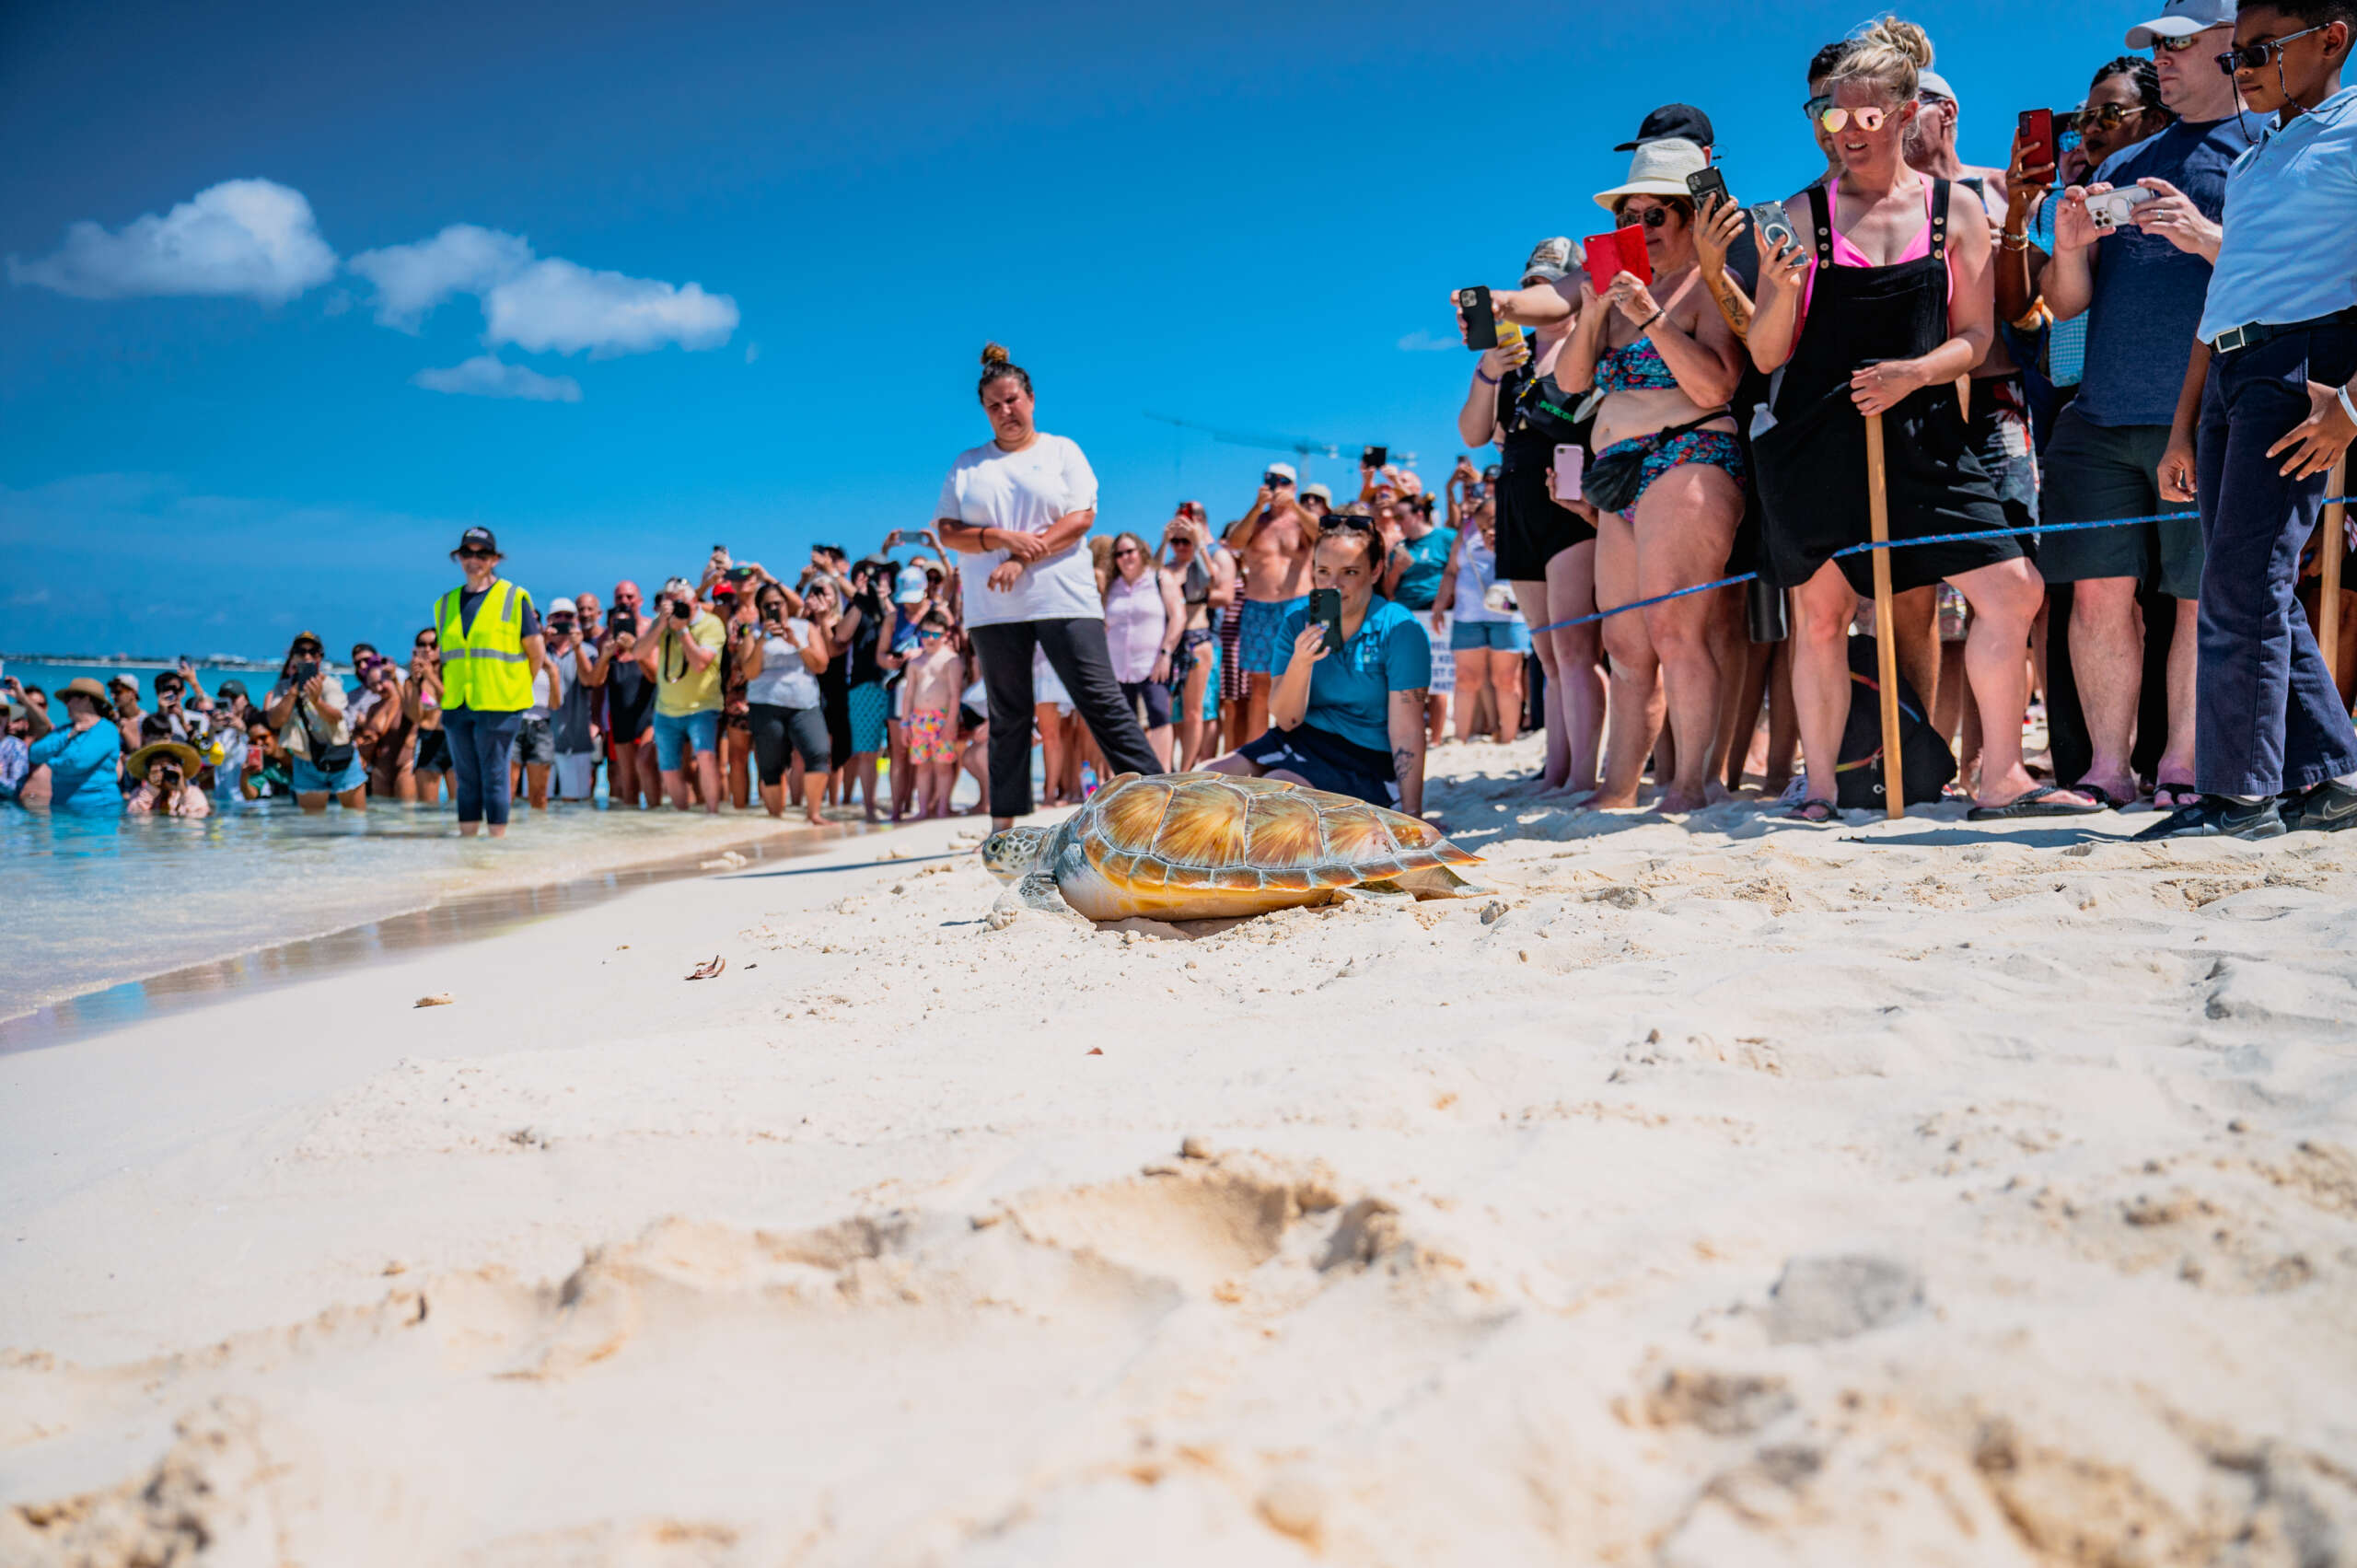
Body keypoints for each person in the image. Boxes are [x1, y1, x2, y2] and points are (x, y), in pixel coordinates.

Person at [1750, 17, 2102, 822]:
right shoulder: (1797, 215)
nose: (1845, 135)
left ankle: (2004, 774)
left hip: (1927, 432)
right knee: (1822, 613)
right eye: (1831, 117)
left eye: (1866, 117)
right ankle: (1820, 789)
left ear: (1908, 115)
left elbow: (1979, 338)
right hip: (1819, 441)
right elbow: (1772, 355)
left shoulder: (1959, 211)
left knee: (2013, 591)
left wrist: (1914, 373)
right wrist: (1774, 288)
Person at [2015, 15, 2247, 812]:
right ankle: (2107, 771)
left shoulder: (2267, 149)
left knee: (2195, 597)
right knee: (2096, 595)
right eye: (2156, 48)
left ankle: (2183, 765)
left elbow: (2293, 274)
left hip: (2207, 413)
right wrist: (2071, 249)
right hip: (2100, 414)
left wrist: (2207, 236)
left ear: (2229, 43)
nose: (2162, 61)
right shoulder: (2127, 161)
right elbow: (2066, 305)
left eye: (2176, 45)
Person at [2142, 0, 2357, 837]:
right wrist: (2181, 424)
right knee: (2255, 581)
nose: (2245, 69)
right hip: (2233, 370)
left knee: (2240, 582)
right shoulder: (2261, 153)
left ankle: (2237, 798)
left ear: (2333, 37)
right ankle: (2330, 775)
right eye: (2236, 58)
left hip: (2303, 368)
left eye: (2260, 50)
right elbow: (2224, 296)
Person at [1555, 145, 1752, 812]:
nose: (1643, 227)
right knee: (1625, 643)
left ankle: (1691, 785)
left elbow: (1716, 383)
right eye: (1630, 216)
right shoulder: (1614, 297)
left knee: (1675, 630)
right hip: (1622, 474)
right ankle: (1619, 787)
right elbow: (1571, 383)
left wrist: (1648, 316)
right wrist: (1590, 312)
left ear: (1690, 216)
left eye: (1657, 213)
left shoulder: (1708, 284)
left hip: (1689, 454)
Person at [936, 343, 1163, 829]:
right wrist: (995, 537)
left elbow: (1081, 518)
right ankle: (1005, 826)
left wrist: (1018, 557)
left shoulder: (1062, 450)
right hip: (992, 608)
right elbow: (947, 531)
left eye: (1012, 399)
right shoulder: (968, 464)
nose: (1005, 411)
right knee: (1009, 714)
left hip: (1063, 596)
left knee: (1099, 700)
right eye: (994, 406)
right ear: (984, 411)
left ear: (1031, 397)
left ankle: (1163, 804)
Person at [1462, 238, 1607, 796]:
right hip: (1517, 501)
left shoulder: (1591, 343)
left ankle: (1581, 773)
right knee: (1548, 653)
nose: (1534, 294)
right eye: (1528, 285)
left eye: (1547, 284)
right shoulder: (1511, 356)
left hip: (1570, 501)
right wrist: (1486, 374)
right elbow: (1475, 434)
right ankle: (1557, 769)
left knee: (1575, 648)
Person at [1207, 518, 1434, 811]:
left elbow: (1408, 731)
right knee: (1202, 780)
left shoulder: (1400, 628)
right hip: (1300, 738)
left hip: (1365, 758)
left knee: (1276, 791)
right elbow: (1287, 719)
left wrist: (1414, 813)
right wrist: (1301, 663)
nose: (1333, 585)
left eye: (1349, 572)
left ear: (1376, 570)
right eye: (1323, 571)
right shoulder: (1296, 622)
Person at [433, 527, 551, 837]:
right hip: (458, 703)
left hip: (501, 704)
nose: (474, 560)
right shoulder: (444, 604)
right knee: (465, 778)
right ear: (458, 557)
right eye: (467, 553)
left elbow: (536, 652)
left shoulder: (513, 597)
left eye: (481, 554)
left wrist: (515, 687)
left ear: (495, 559)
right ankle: (468, 847)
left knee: (495, 777)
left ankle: (497, 849)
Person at [1225, 461, 1318, 744]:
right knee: (1260, 685)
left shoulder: (1301, 522)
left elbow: (1323, 536)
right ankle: (1259, 753)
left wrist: (1296, 507)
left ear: (1293, 486)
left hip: (1298, 605)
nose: (1276, 486)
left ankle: (1296, 748)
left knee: (1300, 680)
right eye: (1271, 480)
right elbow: (1235, 543)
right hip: (1258, 608)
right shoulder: (1257, 522)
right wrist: (1256, 508)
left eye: (1283, 481)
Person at [1434, 491, 1529, 744]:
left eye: (1494, 521)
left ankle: (1509, 739)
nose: (1488, 527)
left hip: (1509, 614)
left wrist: (1504, 546)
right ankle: (1460, 739)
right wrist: (1439, 605)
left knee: (1507, 679)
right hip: (1468, 614)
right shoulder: (1465, 533)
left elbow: (1532, 568)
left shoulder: (1519, 530)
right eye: (1483, 522)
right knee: (1466, 678)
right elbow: (1452, 571)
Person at [742, 580, 831, 825]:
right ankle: (776, 820)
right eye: (767, 605)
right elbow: (749, 672)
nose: (774, 608)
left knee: (819, 753)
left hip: (804, 704)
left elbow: (821, 665)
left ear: (786, 604)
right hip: (765, 703)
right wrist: (761, 640)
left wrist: (797, 643)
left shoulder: (804, 628)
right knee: (771, 765)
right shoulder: (752, 634)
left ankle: (813, 814)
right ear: (760, 609)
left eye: (778, 603)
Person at [641, 575, 726, 814]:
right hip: (666, 709)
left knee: (706, 758)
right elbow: (639, 652)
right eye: (671, 602)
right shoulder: (661, 624)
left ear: (694, 601)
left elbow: (700, 663)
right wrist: (660, 624)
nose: (677, 608)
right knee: (667, 767)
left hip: (703, 706)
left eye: (680, 603)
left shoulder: (711, 624)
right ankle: (682, 818)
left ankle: (712, 814)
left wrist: (682, 631)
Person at [1381, 489, 1458, 744]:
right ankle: (1412, 735)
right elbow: (1388, 590)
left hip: (1438, 613)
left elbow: (1457, 572)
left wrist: (1446, 602)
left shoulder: (1446, 538)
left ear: (1419, 514)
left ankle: (1435, 738)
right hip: (1406, 614)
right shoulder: (1399, 549)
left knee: (1438, 678)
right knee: (1409, 677)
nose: (1397, 523)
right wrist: (1397, 570)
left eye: (1401, 516)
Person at [1104, 529, 1186, 768]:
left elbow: (1178, 617)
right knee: (1124, 723)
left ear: (1140, 552)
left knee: (1160, 717)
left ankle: (1161, 775)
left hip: (1153, 664)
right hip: (1118, 668)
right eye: (1119, 554)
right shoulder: (1111, 587)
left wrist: (1166, 653)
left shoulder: (1160, 578)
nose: (1125, 558)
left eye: (1130, 551)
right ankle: (1131, 776)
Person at [1160, 504, 1234, 769]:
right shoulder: (1170, 566)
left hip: (1202, 638)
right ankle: (1178, 767)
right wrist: (1165, 540)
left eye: (1185, 539)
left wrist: (1198, 542)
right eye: (1177, 540)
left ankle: (1195, 768)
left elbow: (1221, 589)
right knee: (1175, 713)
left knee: (1201, 711)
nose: (1181, 544)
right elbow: (1153, 576)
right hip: (1173, 642)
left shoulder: (1214, 556)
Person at [263, 630, 367, 812]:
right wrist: (295, 691)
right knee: (313, 826)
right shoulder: (284, 688)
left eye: (313, 652)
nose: (307, 656)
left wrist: (316, 701)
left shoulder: (331, 685)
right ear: (292, 656)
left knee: (356, 818)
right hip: (305, 760)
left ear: (320, 657)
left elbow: (336, 718)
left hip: (340, 756)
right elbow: (275, 721)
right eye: (301, 652)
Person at [589, 580, 657, 808]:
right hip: (620, 714)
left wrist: (635, 649)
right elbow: (597, 683)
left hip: (649, 712)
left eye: (630, 597)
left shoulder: (650, 629)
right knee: (627, 782)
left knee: (646, 765)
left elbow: (655, 675)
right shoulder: (605, 637)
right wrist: (606, 655)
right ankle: (633, 836)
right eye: (619, 598)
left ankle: (660, 826)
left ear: (640, 600)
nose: (625, 602)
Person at [17, 678, 124, 814]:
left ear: (86, 699)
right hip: (61, 811)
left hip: (99, 811)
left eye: (68, 698)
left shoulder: (106, 730)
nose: (65, 703)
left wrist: (50, 760)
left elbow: (77, 764)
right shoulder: (65, 731)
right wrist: (69, 735)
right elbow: (34, 754)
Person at [900, 609, 965, 818]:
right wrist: (904, 723)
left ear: (945, 635)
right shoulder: (915, 662)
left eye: (935, 634)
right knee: (922, 767)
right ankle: (922, 810)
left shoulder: (951, 660)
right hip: (918, 719)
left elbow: (955, 694)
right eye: (926, 633)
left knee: (943, 766)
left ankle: (942, 808)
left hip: (942, 718)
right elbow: (908, 695)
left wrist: (950, 722)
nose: (930, 638)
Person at [353, 656, 418, 801]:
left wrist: (396, 679)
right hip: (380, 768)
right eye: (372, 685)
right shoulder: (373, 708)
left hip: (405, 765)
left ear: (390, 678)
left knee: (409, 816)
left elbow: (415, 716)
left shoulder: (404, 702)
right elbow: (368, 739)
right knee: (381, 818)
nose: (378, 688)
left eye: (381, 682)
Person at [405, 632, 450, 806]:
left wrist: (431, 676)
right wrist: (417, 684)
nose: (427, 649)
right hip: (427, 740)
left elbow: (449, 704)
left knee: (460, 805)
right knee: (427, 808)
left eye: (433, 645)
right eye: (422, 644)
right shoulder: (412, 681)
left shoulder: (451, 674)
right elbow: (416, 717)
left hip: (452, 737)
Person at [124, 738, 210, 818]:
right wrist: (152, 789)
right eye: (157, 770)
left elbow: (199, 816)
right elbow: (134, 816)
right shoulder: (139, 793)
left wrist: (183, 791)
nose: (163, 774)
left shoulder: (193, 793)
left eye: (167, 768)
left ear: (179, 769)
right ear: (149, 772)